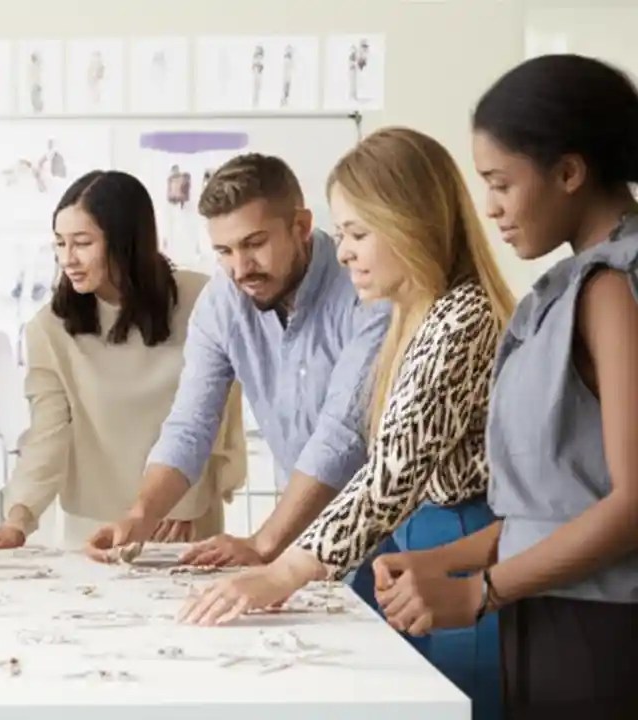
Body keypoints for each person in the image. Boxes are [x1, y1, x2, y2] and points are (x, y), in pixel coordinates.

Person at [177, 127, 515, 720]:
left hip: (461, 536)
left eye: (357, 233)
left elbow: (390, 471)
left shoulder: (461, 320)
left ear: (410, 224)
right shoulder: (418, 313)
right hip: (419, 541)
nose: (345, 251)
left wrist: (280, 569)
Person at [372, 54, 638, 717]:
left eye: (499, 183)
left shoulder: (609, 290)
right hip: (558, 613)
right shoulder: (579, 285)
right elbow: (559, 501)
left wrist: (479, 591)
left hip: (598, 636)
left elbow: (632, 504)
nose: (488, 208)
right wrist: (447, 562)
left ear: (569, 173)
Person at [85, 153, 390, 600]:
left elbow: (342, 434)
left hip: (396, 527)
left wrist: (264, 543)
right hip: (310, 535)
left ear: (301, 227)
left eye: (255, 243)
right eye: (225, 251)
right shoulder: (222, 302)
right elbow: (190, 425)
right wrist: (141, 516)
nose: (240, 268)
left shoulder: (366, 284)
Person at [0, 170, 247, 549]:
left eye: (82, 243)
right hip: (94, 527)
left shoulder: (203, 300)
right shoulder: (50, 330)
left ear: (125, 242)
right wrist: (18, 519)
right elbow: (48, 434)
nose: (68, 259)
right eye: (60, 244)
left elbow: (219, 411)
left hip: (182, 521)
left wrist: (187, 502)